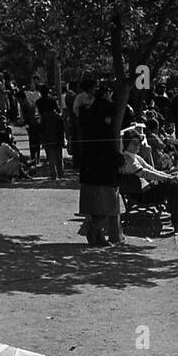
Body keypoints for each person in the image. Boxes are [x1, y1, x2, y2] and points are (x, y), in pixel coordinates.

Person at [120, 126, 178, 229]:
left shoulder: (135, 157)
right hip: (141, 194)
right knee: (173, 186)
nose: (137, 146)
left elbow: (152, 169)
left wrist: (169, 176)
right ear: (127, 144)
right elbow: (146, 173)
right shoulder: (128, 161)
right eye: (134, 144)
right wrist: (168, 179)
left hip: (147, 188)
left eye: (138, 143)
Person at [77, 82, 121, 247]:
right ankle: (96, 235)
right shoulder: (102, 129)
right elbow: (107, 149)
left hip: (90, 172)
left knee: (97, 208)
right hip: (102, 173)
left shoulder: (89, 122)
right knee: (105, 206)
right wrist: (118, 158)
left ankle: (95, 234)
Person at [41, 98, 66, 180]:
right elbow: (61, 129)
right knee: (59, 158)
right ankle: (60, 173)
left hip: (48, 140)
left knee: (51, 159)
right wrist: (62, 140)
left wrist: (43, 140)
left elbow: (42, 129)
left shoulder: (44, 116)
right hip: (58, 140)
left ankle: (53, 174)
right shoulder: (58, 116)